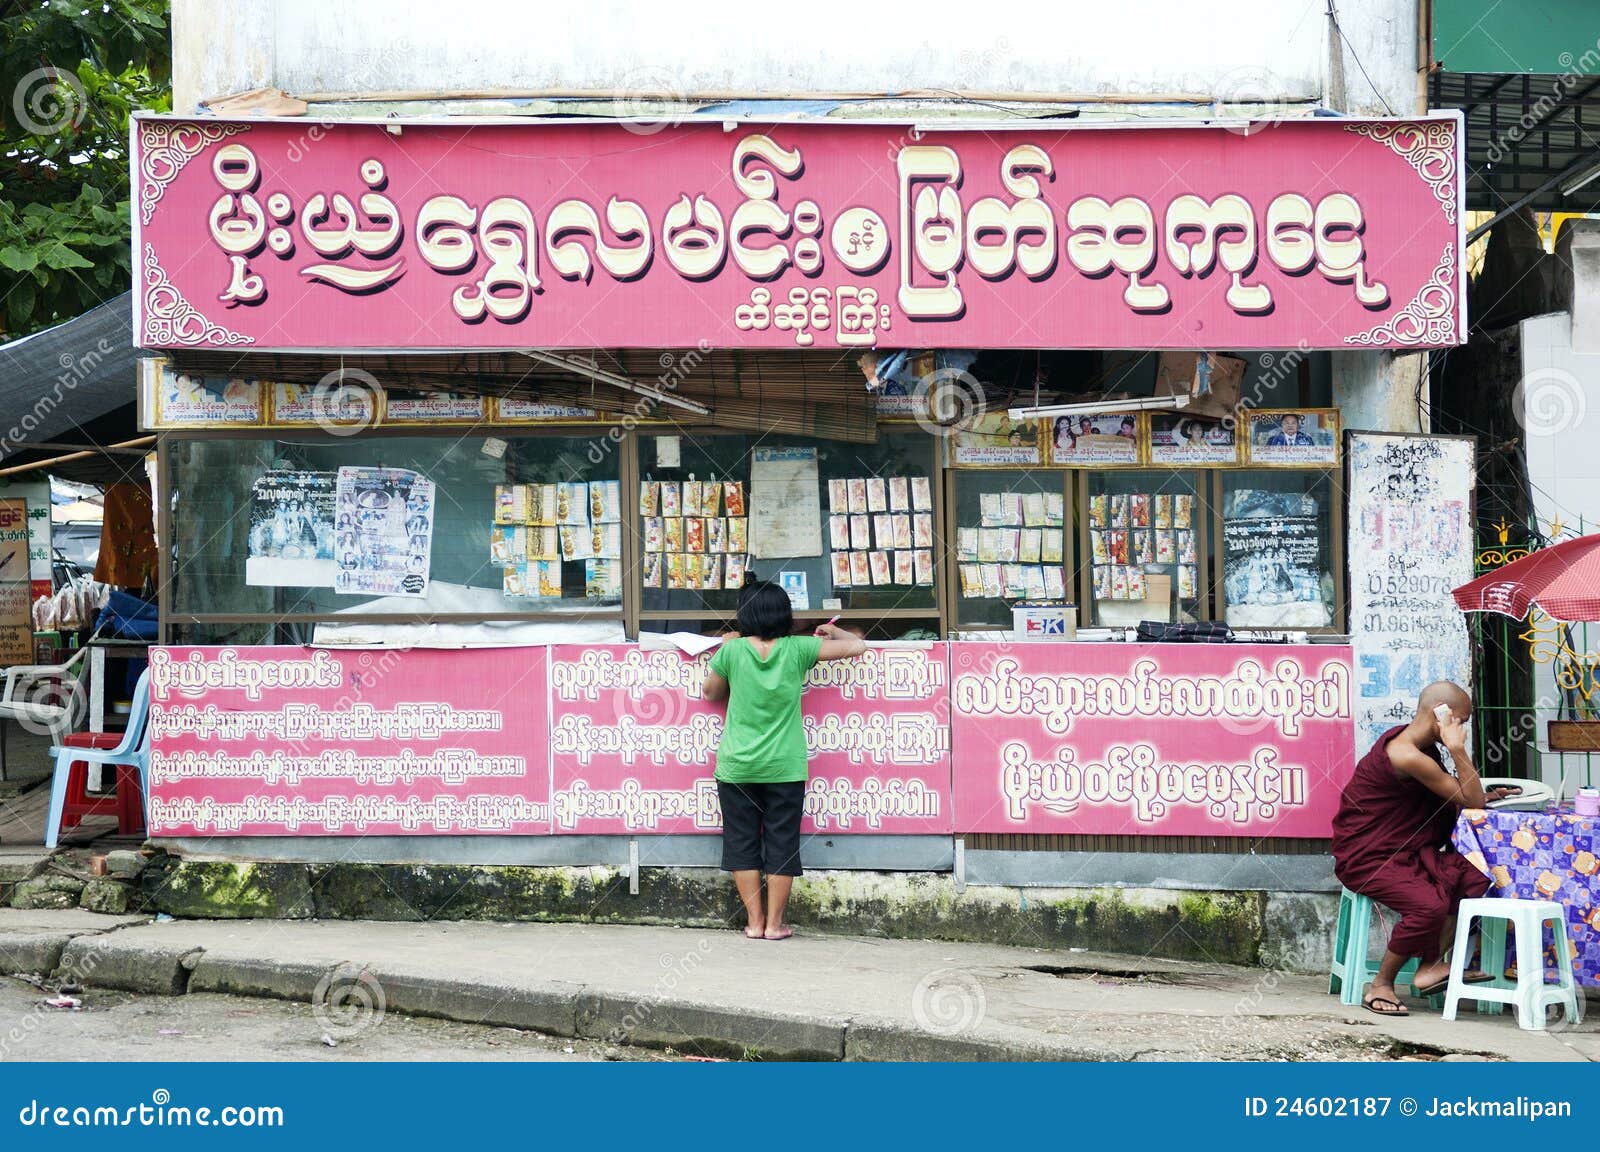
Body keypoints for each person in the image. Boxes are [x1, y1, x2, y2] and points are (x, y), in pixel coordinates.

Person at [1331, 682, 1520, 1016]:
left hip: (1409, 851)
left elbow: (1461, 797)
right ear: (1440, 715)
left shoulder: (1421, 747)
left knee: (1475, 877)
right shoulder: (1406, 754)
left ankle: (1430, 965)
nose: (1461, 729)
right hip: (1369, 857)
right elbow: (1470, 799)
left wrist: (1484, 796)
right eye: (1459, 721)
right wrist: (1458, 750)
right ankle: (1381, 984)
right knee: (1429, 906)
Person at [701, 582, 866, 940]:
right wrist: (829, 629)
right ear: (784, 614)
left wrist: (726, 652)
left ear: (745, 614)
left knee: (741, 841)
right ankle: (775, 925)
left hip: (737, 765)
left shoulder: (732, 650)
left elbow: (710, 693)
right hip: (784, 765)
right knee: (782, 842)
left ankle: (754, 923)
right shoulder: (799, 648)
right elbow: (857, 645)